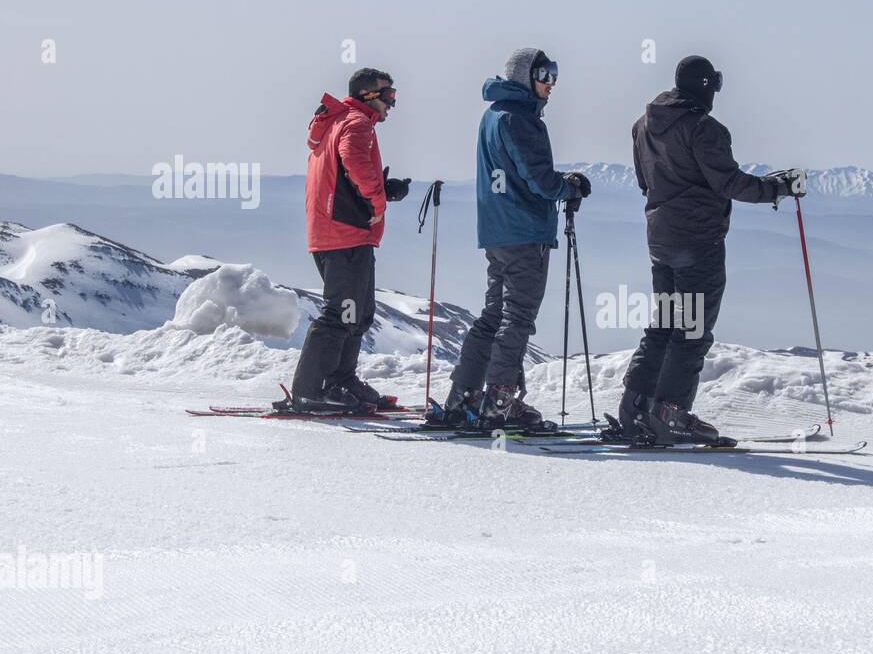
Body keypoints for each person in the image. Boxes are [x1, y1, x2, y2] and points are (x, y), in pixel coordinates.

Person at [617, 55, 803, 444]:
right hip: (698, 242)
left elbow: (644, 181)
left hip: (660, 240)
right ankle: (670, 414)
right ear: (706, 86)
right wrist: (778, 189)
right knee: (692, 330)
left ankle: (635, 408)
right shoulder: (705, 128)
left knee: (664, 325)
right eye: (715, 84)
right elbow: (729, 183)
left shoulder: (643, 126)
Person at [439, 48, 590, 429]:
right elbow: (537, 178)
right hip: (524, 230)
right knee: (517, 317)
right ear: (525, 76)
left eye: (554, 74)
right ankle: (500, 403)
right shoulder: (519, 118)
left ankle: (463, 397)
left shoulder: (493, 115)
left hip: (497, 230)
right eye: (545, 74)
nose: (551, 83)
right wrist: (568, 188)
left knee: (493, 315)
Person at [281, 67, 411, 413]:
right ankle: (310, 390)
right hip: (344, 235)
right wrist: (377, 202)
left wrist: (383, 189)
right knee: (342, 313)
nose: (392, 104)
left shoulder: (340, 122)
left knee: (359, 312)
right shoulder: (357, 123)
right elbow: (352, 159)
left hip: (335, 232)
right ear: (369, 95)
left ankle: (338, 380)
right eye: (389, 95)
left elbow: (345, 172)